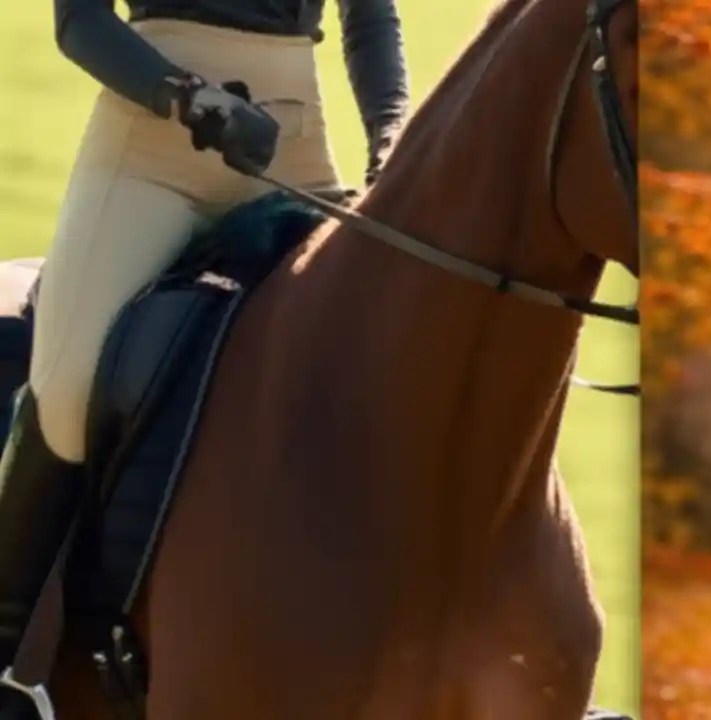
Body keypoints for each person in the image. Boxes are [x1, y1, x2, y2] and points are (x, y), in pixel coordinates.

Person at [0, 0, 409, 677]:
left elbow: (371, 19)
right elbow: (79, 20)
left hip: (293, 151)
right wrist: (192, 101)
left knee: (394, 355)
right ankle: (8, 661)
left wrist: (393, 136)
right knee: (67, 388)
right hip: (151, 153)